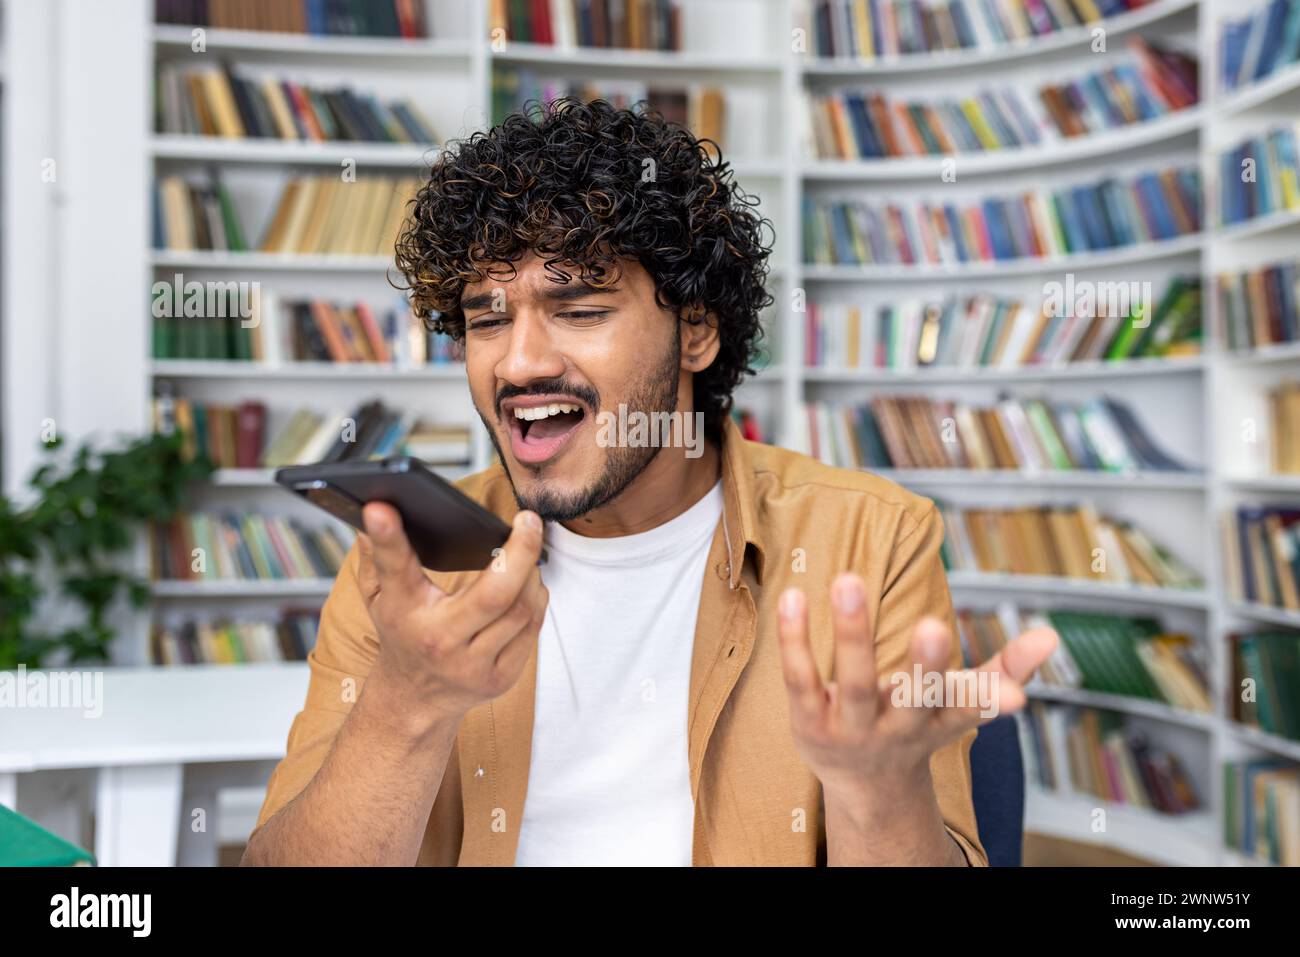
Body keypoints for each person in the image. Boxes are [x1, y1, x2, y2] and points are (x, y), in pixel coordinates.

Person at [242, 98, 1057, 867]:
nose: (519, 361)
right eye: (488, 318)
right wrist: (406, 703)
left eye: (581, 308)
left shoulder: (870, 540)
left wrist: (874, 787)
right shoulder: (407, 561)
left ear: (696, 329)